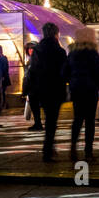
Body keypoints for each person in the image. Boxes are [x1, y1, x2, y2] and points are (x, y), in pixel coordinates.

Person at [64, 27, 99, 161]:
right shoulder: (93, 53)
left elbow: (64, 72)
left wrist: (72, 81)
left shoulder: (72, 53)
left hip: (76, 89)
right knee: (89, 121)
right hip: (90, 89)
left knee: (77, 119)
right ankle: (88, 152)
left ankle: (73, 148)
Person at [28, 22, 68, 161]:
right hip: (55, 89)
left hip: (41, 89)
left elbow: (32, 70)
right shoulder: (60, 51)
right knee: (52, 120)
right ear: (56, 34)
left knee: (48, 118)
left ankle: (49, 147)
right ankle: (48, 149)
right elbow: (64, 71)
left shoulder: (37, 50)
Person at [22, 42, 42, 129]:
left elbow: (30, 74)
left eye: (32, 48)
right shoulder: (31, 59)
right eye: (29, 49)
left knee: (35, 106)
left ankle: (38, 123)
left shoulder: (36, 60)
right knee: (35, 106)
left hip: (34, 87)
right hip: (32, 87)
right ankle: (38, 123)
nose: (30, 50)